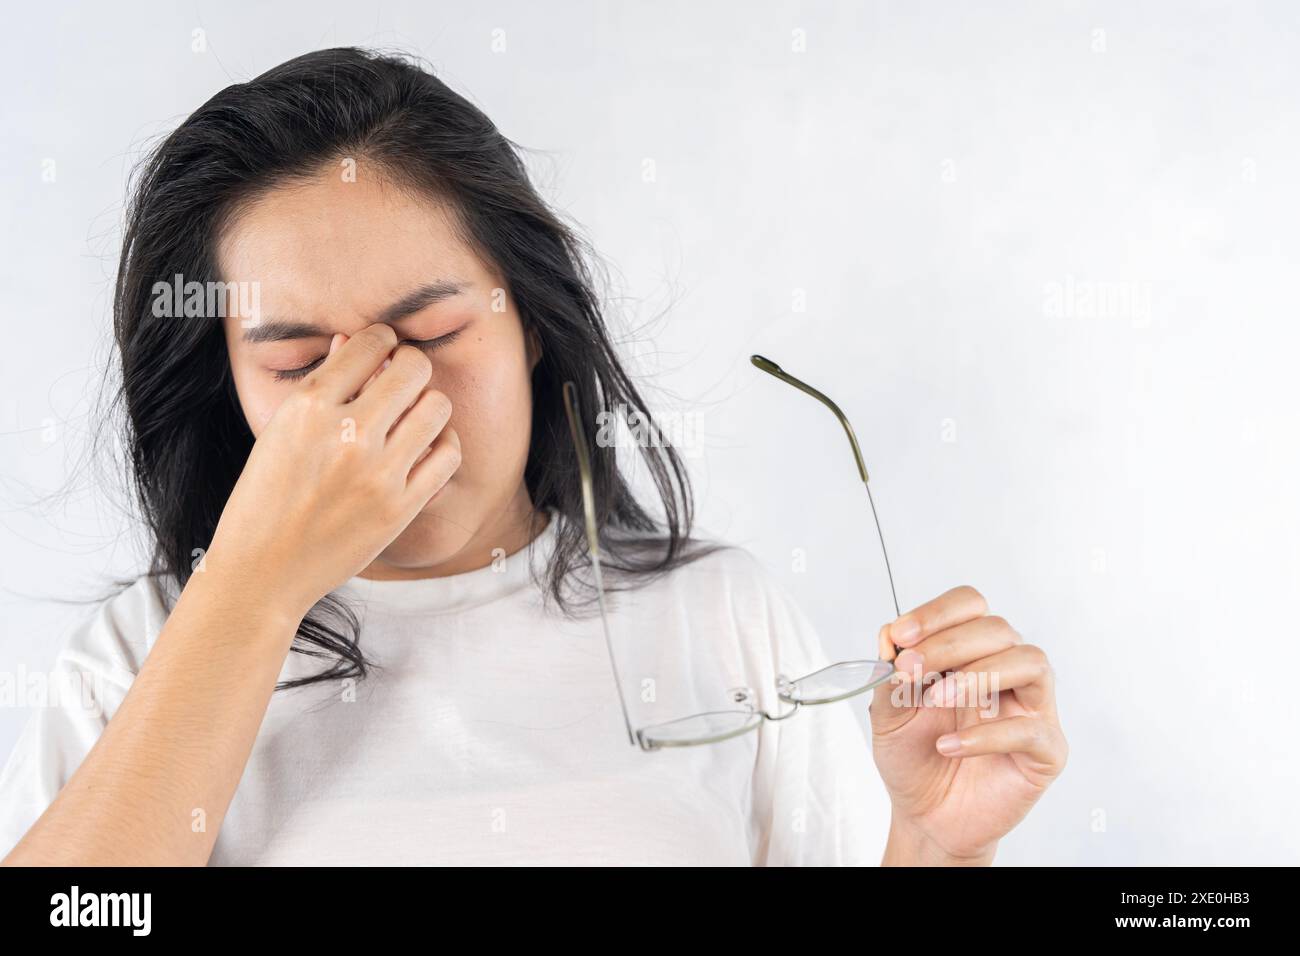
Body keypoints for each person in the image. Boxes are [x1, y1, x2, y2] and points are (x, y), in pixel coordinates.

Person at [0, 47, 1066, 866]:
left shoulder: (717, 618)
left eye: (432, 334)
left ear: (532, 322)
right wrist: (250, 592)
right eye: (298, 360)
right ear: (224, 384)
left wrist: (937, 846)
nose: (380, 403)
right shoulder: (139, 651)